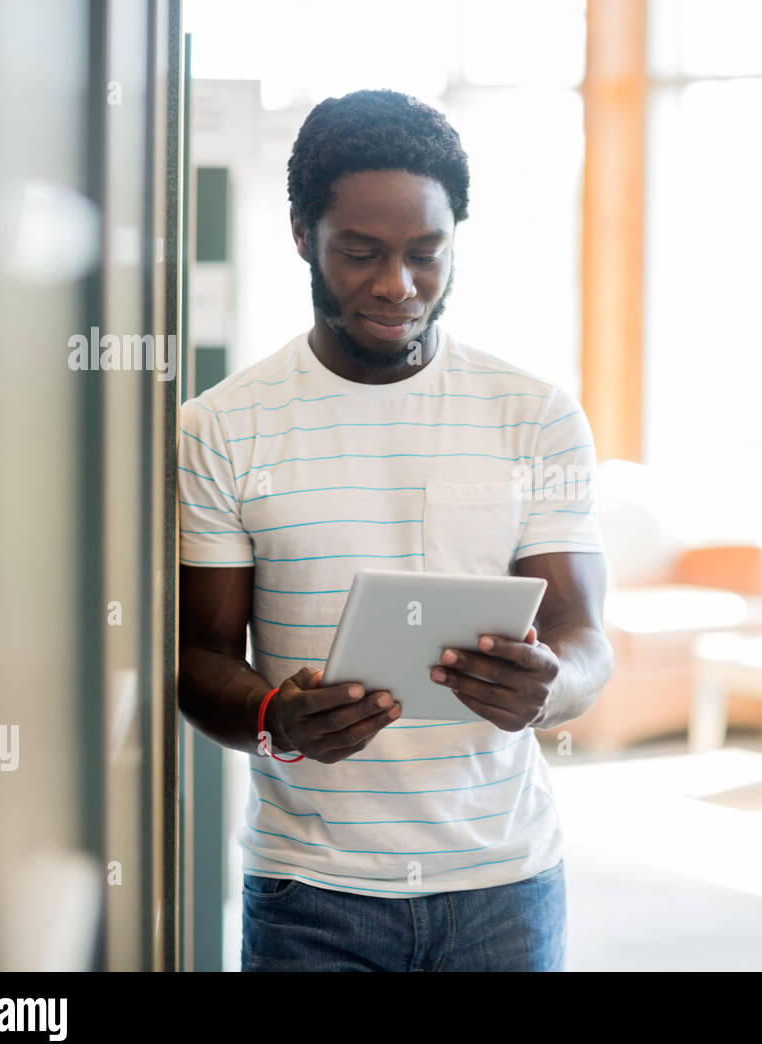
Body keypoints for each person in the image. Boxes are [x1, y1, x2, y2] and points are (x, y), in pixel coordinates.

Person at [176, 89, 613, 972]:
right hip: (312, 893)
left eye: (425, 254)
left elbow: (586, 640)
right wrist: (275, 716)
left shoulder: (535, 417)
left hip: (505, 881)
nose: (395, 285)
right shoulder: (220, 428)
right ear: (303, 233)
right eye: (360, 253)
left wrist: (550, 685)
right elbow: (197, 656)